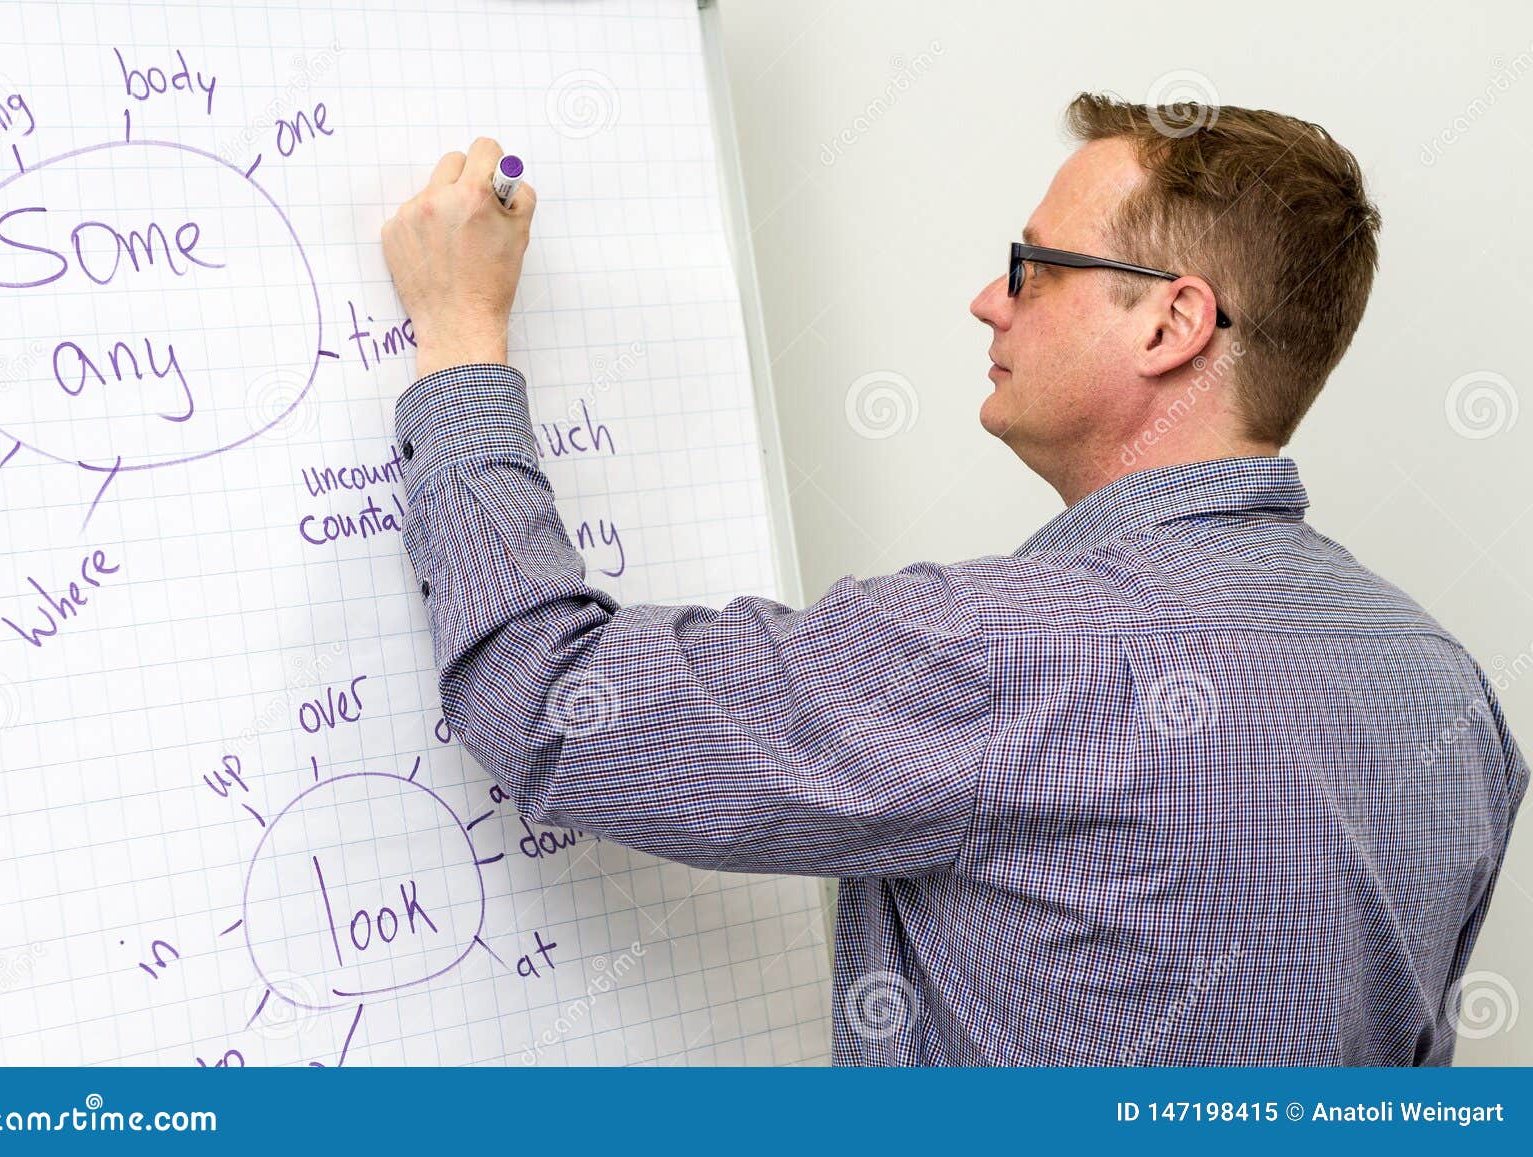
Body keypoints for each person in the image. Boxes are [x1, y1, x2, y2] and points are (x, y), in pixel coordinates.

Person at [379, 93, 1527, 1065]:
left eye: (1035, 266)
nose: (991, 298)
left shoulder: (1003, 649)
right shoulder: (1445, 689)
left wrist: (460, 332)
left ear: (1173, 322)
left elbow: (549, 702)